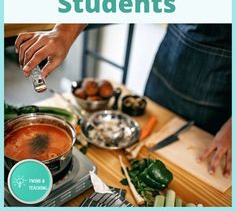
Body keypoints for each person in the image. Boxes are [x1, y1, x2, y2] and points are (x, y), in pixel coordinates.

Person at [15, 23, 232, 177]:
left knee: (200, 167)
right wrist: (63, 31)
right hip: (173, 54)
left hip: (220, 90)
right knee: (152, 136)